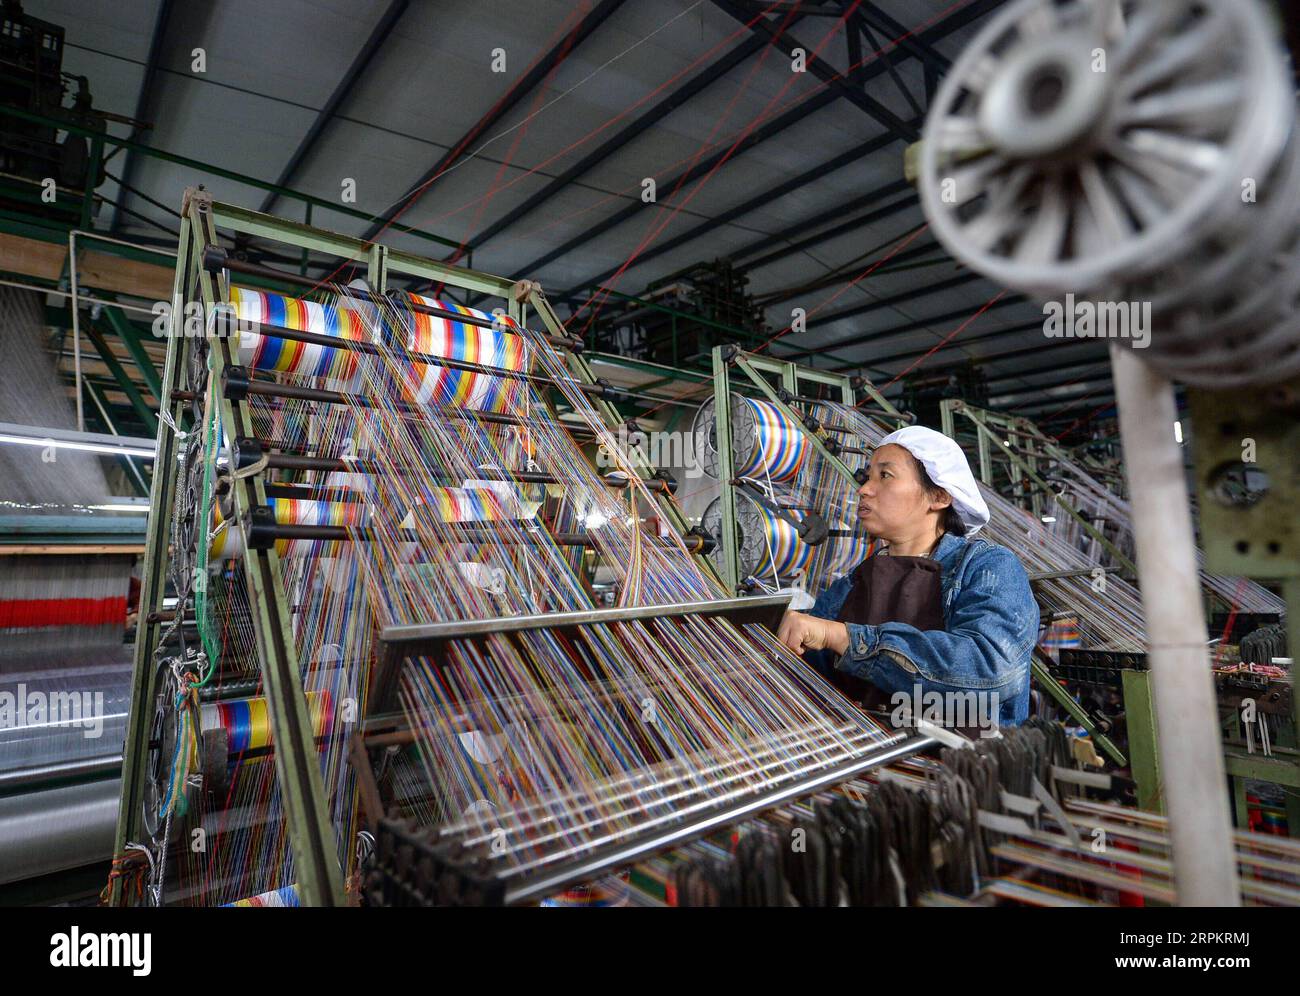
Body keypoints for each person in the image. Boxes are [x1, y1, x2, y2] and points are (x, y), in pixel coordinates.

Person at [775, 425, 1039, 729]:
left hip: (960, 765)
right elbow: (808, 672)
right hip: (871, 762)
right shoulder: (853, 583)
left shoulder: (987, 567)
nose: (863, 489)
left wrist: (843, 637)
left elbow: (990, 669)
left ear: (939, 496)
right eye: (866, 477)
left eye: (885, 476)